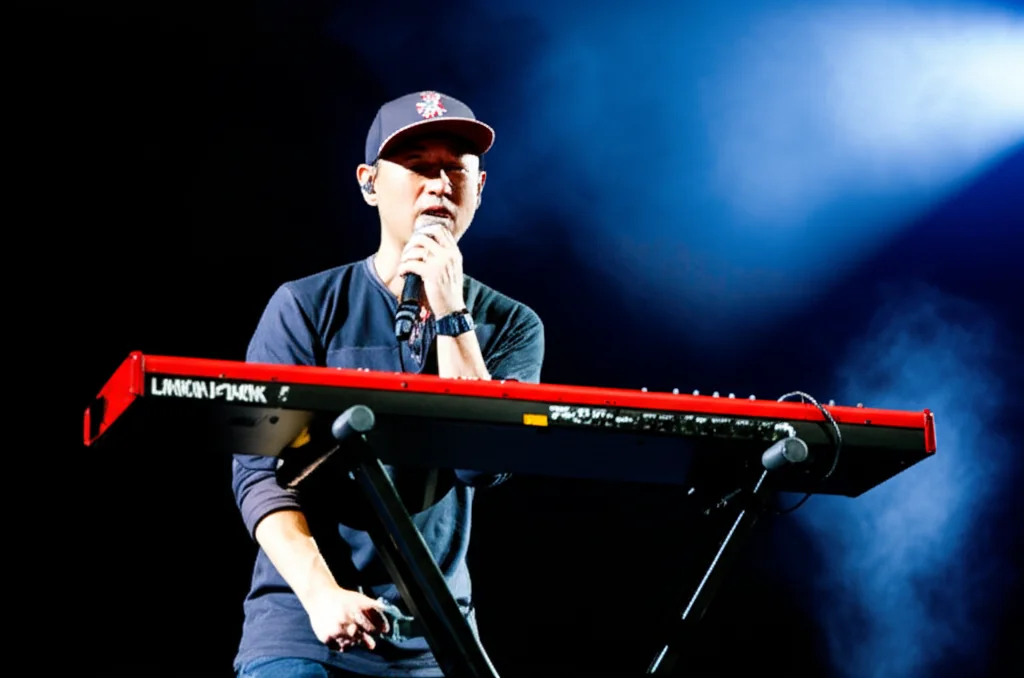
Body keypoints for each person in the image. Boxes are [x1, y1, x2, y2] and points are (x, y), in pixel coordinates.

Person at [230, 90, 545, 677]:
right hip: (307, 625)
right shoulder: (304, 306)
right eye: (419, 166)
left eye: (456, 168)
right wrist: (323, 596)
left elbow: (483, 464)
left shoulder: (512, 325)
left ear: (480, 186)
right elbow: (259, 477)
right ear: (370, 183)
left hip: (435, 639)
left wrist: (451, 313)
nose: (439, 184)